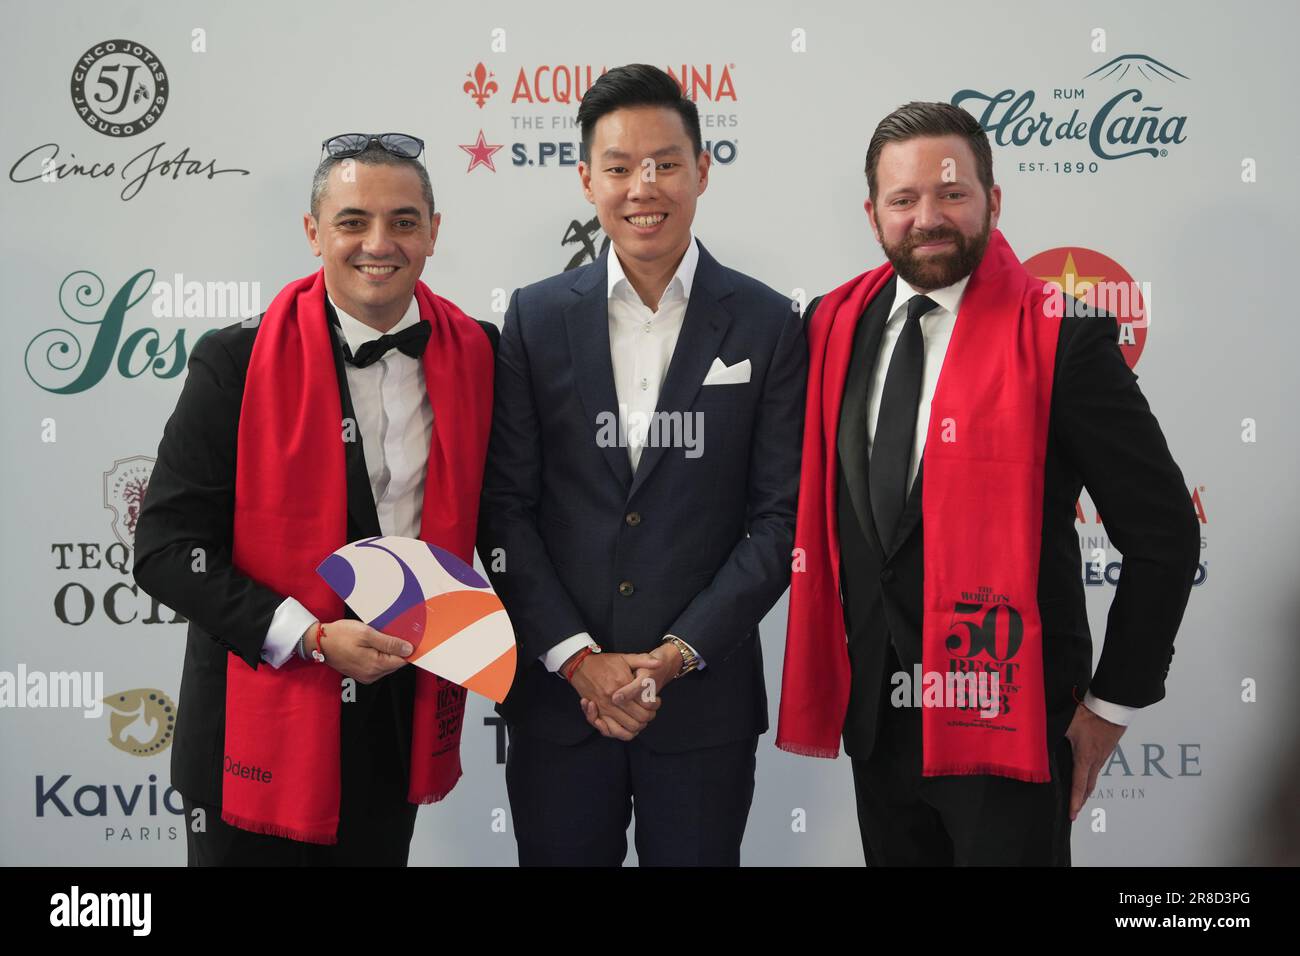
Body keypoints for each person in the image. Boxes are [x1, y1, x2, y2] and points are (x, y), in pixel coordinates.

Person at [777, 102, 1200, 866]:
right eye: (904, 200)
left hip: (1013, 721)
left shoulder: (1061, 337)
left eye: (952, 193)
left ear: (993, 201)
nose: (928, 217)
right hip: (877, 717)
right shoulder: (833, 325)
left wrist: (1109, 705)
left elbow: (1164, 535)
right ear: (873, 215)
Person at [132, 133, 498, 865]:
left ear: (433, 231)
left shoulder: (481, 352)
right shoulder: (234, 361)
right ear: (313, 233)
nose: (378, 243)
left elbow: (504, 524)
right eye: (352, 221)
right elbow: (167, 551)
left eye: (402, 221)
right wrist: (311, 637)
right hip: (253, 726)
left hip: (397, 715)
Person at [478, 64, 807, 866]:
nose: (643, 187)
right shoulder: (533, 317)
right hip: (559, 703)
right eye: (619, 167)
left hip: (702, 706)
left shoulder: (769, 322)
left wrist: (673, 657)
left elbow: (778, 521)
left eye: (665, 163)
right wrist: (578, 659)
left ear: (702, 169)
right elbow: (506, 509)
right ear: (587, 179)